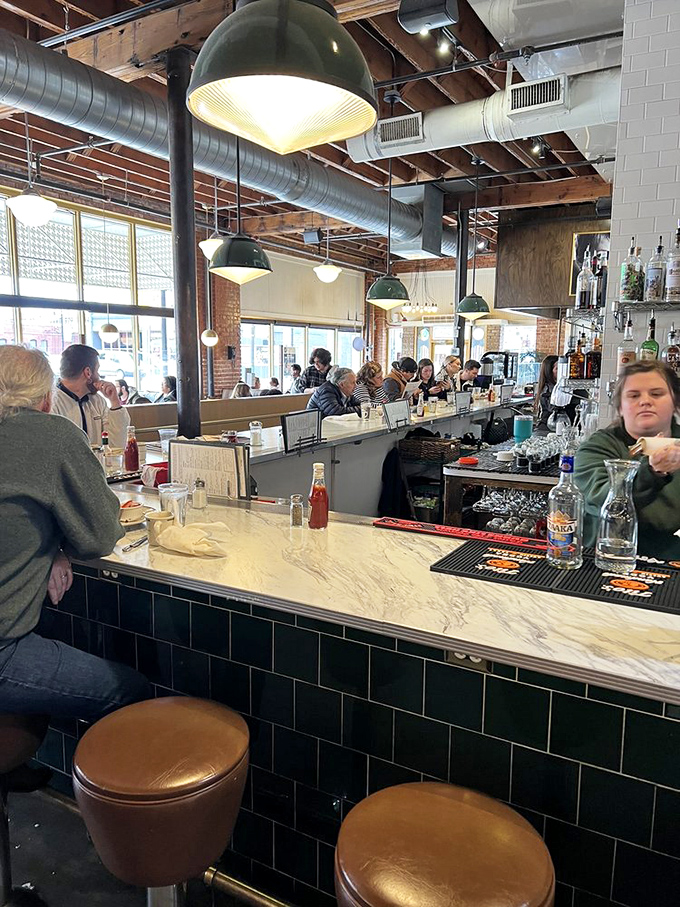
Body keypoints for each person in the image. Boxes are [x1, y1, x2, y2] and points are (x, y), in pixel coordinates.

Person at [0, 345, 151, 723]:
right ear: (46, 398)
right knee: (133, 689)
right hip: (4, 648)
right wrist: (60, 545)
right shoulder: (52, 435)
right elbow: (99, 537)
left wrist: (49, 547)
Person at [575, 360, 680, 559]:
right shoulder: (597, 447)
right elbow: (603, 499)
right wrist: (651, 472)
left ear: (675, 401)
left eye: (656, 394)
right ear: (620, 407)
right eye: (633, 395)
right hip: (605, 563)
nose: (645, 401)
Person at [51, 344, 130, 449]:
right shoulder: (52, 404)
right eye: (97, 370)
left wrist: (115, 402)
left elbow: (117, 446)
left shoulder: (97, 401)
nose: (99, 376)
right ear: (88, 372)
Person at [534, 354, 581, 433]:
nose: (561, 372)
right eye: (557, 369)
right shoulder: (547, 389)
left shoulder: (560, 386)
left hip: (559, 428)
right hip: (547, 429)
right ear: (549, 371)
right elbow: (554, 408)